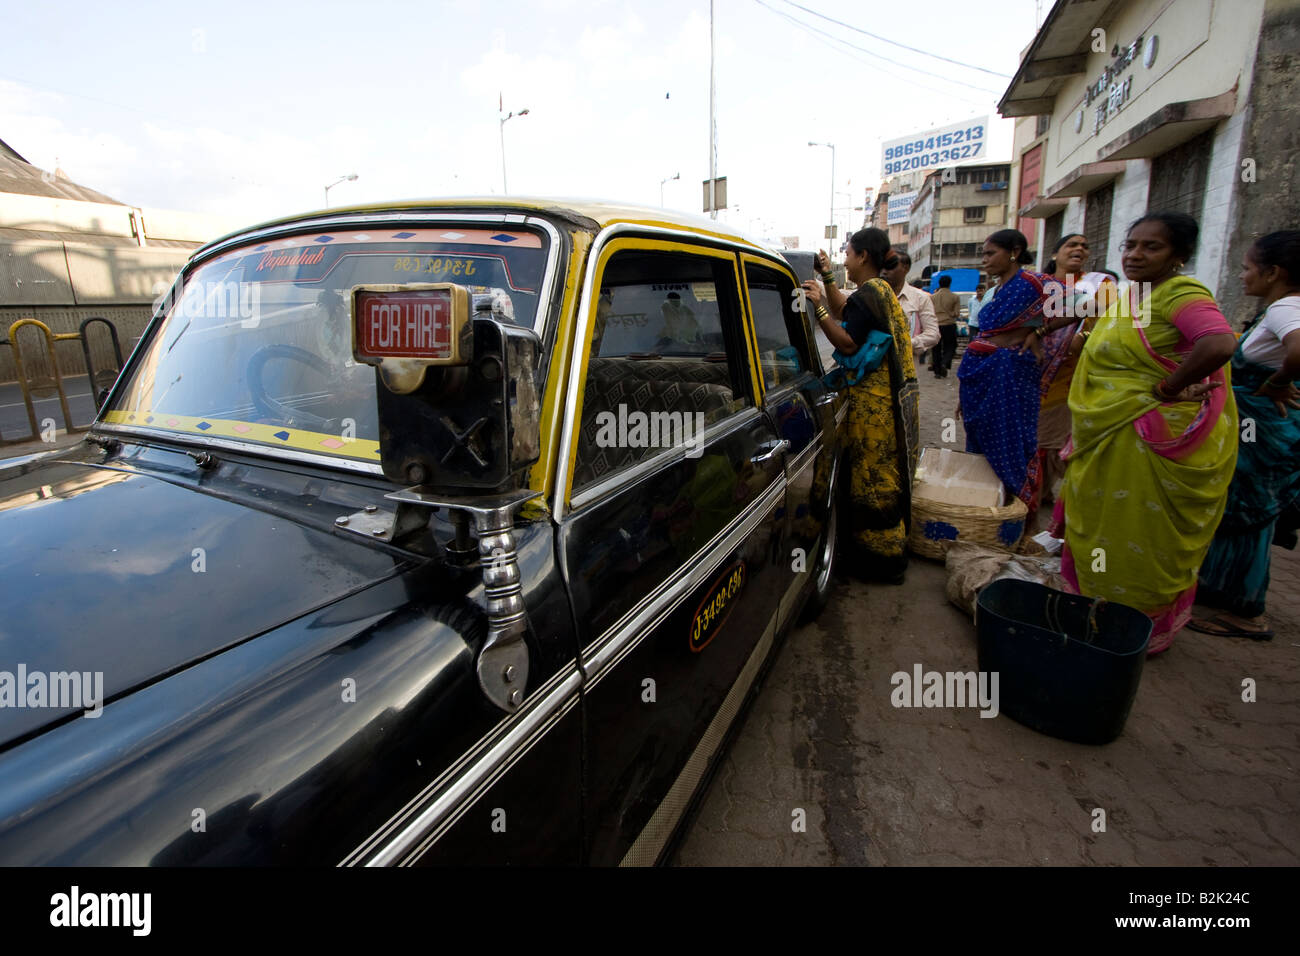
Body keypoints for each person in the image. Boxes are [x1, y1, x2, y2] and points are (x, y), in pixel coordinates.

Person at [1058, 211, 1239, 655]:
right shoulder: (1134, 295)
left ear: (1179, 256)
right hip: (1112, 432)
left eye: (1151, 247)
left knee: (1135, 530)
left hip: (1144, 438)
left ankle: (1132, 624)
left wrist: (1167, 387)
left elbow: (1218, 343)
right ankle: (1097, 606)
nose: (1135, 254)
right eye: (1131, 245)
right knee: (1103, 526)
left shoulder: (1180, 293)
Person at [1190, 230, 1300, 640]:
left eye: (1247, 268)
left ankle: (1245, 611)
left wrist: (1276, 383)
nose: (1242, 276)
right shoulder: (1282, 307)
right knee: (1239, 512)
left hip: (1262, 431)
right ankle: (1222, 591)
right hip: (1260, 427)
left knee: (1248, 516)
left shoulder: (1285, 307)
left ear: (1273, 272)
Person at [803, 229, 919, 583]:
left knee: (872, 479)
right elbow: (848, 310)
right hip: (885, 402)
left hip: (875, 408)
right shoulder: (878, 292)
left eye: (848, 254)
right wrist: (826, 279)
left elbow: (849, 342)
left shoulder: (872, 293)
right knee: (879, 475)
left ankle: (879, 561)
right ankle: (883, 555)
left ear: (863, 256)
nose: (846, 261)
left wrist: (817, 307)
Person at [956, 229, 1059, 507]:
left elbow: (1088, 305)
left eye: (991, 253)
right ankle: (987, 506)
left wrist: (1038, 332)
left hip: (1010, 374)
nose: (985, 260)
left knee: (1013, 441)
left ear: (1013, 251)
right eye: (984, 254)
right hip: (981, 376)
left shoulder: (1034, 283)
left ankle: (1017, 510)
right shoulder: (994, 291)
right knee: (980, 442)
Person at [1033, 234, 1118, 504]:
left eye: (1084, 245)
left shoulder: (1100, 283)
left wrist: (1083, 338)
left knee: (1053, 441)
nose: (1079, 249)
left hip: (1071, 374)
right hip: (1032, 369)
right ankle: (1032, 490)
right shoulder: (1039, 284)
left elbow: (1111, 323)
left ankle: (1042, 492)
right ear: (1055, 254)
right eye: (1072, 245)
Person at [884, 249, 939, 363]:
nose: (885, 271)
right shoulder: (873, 295)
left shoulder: (920, 298)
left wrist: (908, 343)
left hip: (906, 368)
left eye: (891, 266)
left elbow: (933, 334)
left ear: (906, 268)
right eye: (883, 266)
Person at [930, 275, 961, 377]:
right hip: (949, 324)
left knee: (936, 348)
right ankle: (945, 362)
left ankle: (937, 371)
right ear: (949, 283)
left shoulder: (932, 297)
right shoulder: (954, 297)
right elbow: (956, 313)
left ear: (939, 284)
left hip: (936, 325)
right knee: (951, 346)